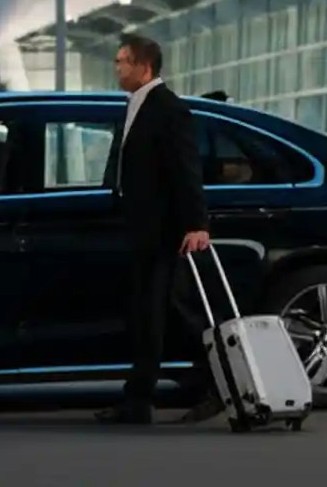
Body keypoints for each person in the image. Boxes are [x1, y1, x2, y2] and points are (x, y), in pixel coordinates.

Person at [95, 33, 224, 425]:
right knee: (149, 315)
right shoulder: (137, 104)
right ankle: (138, 400)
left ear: (144, 67)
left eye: (123, 61)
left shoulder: (168, 109)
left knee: (173, 312)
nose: (117, 68)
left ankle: (215, 386)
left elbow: (187, 170)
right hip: (143, 231)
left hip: (166, 234)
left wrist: (197, 224)